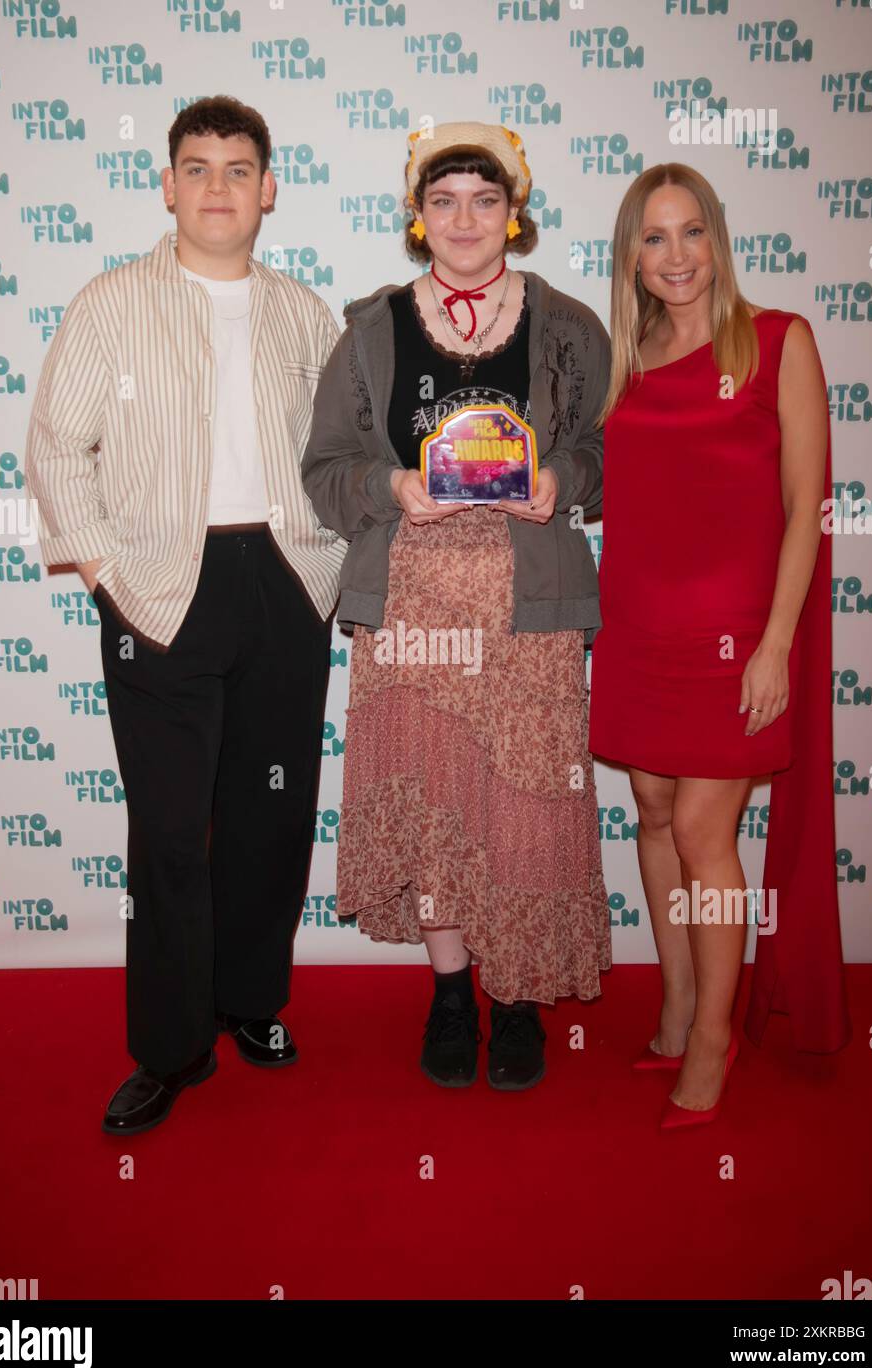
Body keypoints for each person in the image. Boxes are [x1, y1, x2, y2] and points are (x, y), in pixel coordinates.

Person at [25, 95, 347, 1135]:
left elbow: (342, 462)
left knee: (268, 815)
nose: (218, 185)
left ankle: (251, 1003)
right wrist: (111, 572)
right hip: (160, 590)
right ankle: (169, 1048)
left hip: (285, 586)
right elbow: (54, 444)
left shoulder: (306, 313)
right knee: (168, 830)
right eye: (197, 167)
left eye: (237, 167)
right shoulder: (109, 302)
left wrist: (325, 572)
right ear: (167, 186)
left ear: (268, 189)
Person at [302, 122, 612, 1091]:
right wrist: (390, 492)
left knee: (522, 804)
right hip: (412, 600)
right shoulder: (368, 331)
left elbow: (606, 458)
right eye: (442, 200)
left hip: (527, 605)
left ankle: (514, 998)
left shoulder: (568, 328)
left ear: (511, 213)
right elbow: (324, 471)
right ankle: (447, 993)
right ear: (415, 215)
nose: (463, 219)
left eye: (484, 198)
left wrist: (558, 481)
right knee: (435, 803)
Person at [588, 163, 850, 1129]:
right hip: (636, 628)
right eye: (653, 239)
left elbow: (805, 509)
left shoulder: (781, 341)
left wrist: (775, 643)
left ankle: (713, 1040)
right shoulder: (628, 356)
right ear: (632, 256)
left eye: (690, 232)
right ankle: (679, 1002)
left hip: (735, 637)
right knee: (652, 814)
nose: (676, 256)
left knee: (705, 836)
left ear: (719, 237)